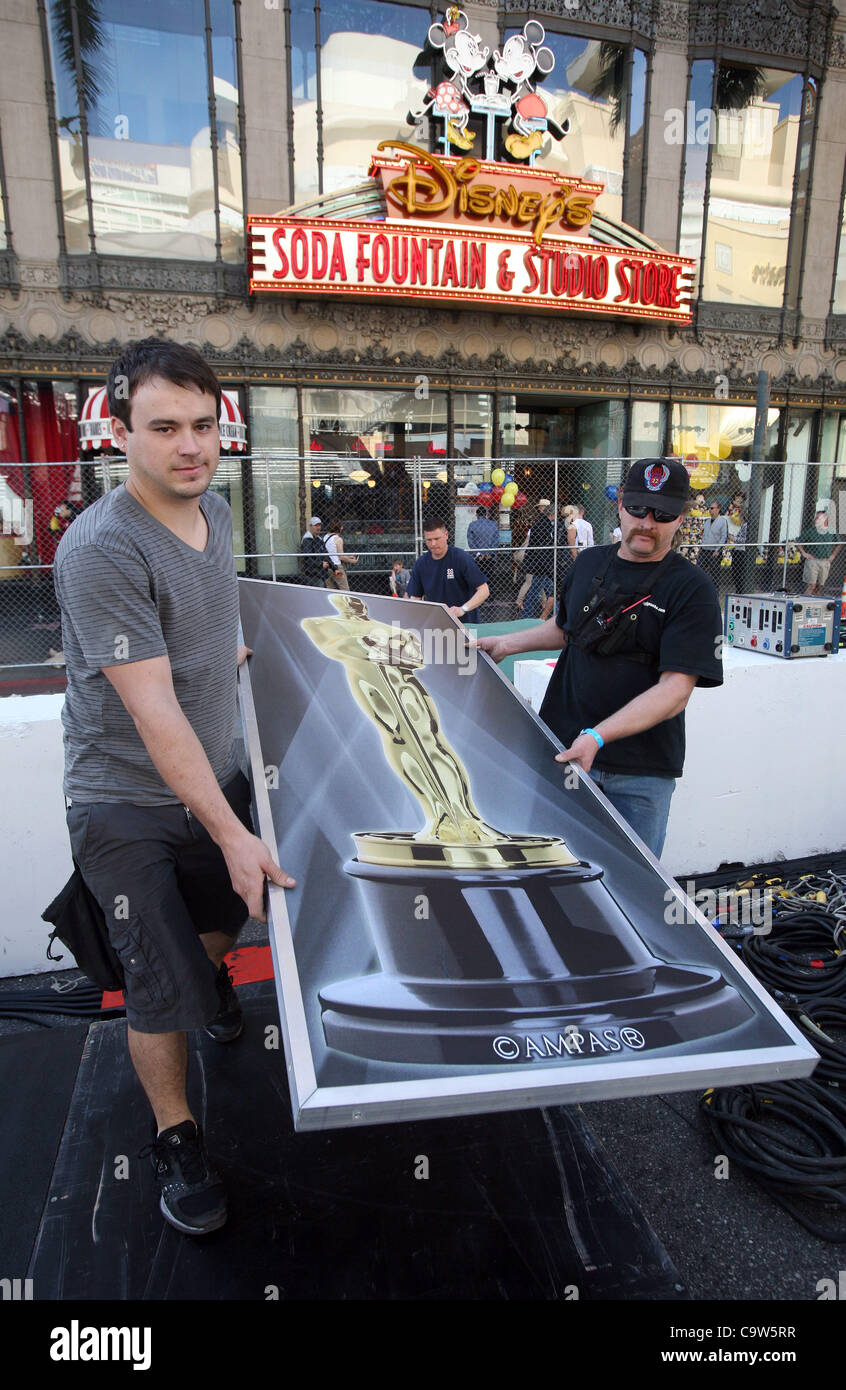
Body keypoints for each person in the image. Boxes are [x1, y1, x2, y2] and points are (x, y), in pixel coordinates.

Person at [53, 338, 296, 1237]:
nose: (189, 445)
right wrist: (233, 832)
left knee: (217, 926)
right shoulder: (102, 550)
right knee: (157, 983)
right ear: (119, 432)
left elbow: (203, 620)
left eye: (203, 425)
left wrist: (223, 657)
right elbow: (153, 712)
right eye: (163, 428)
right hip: (125, 799)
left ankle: (213, 976)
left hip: (212, 768)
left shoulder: (218, 511)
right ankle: (175, 1133)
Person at [477, 457, 723, 858]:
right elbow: (566, 629)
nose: (647, 522)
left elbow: (676, 689)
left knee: (628, 896)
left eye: (662, 513)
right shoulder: (590, 561)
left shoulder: (692, 589)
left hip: (639, 775)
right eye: (639, 508)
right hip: (562, 755)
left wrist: (596, 736)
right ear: (621, 504)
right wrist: (505, 644)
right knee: (552, 877)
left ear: (681, 518)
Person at [406, 514, 489, 623]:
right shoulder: (421, 563)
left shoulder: (461, 558)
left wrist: (462, 609)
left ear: (446, 535)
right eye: (429, 540)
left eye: (437, 538)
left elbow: (484, 590)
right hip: (436, 624)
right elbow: (414, 597)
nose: (433, 543)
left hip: (467, 624)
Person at [796, 508, 843, 595]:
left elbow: (839, 544)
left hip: (825, 561)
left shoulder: (831, 531)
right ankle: (805, 601)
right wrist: (804, 553)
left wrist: (833, 555)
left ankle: (815, 602)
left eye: (819, 518)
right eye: (816, 518)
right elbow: (799, 542)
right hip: (813, 561)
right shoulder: (812, 531)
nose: (817, 520)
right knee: (811, 586)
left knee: (820, 586)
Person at [521, 499, 555, 618]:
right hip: (541, 563)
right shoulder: (544, 525)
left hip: (540, 562)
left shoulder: (541, 523)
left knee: (549, 588)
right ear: (552, 514)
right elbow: (543, 546)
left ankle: (554, 611)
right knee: (539, 589)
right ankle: (527, 615)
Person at [699, 500, 728, 586]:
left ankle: (715, 592)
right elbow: (704, 535)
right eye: (709, 508)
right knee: (700, 571)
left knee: (715, 574)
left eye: (712, 508)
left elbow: (724, 537)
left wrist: (717, 550)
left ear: (718, 509)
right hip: (704, 550)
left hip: (714, 551)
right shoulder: (707, 521)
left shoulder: (722, 521)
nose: (710, 510)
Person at [323, 519, 358, 590]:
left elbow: (333, 552)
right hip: (337, 567)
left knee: (330, 589)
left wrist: (348, 557)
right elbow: (341, 557)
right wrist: (352, 561)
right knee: (345, 589)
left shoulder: (325, 537)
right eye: (341, 526)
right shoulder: (338, 539)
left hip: (327, 567)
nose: (342, 528)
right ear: (339, 528)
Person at [301, 514, 330, 586]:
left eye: (319, 525)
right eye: (316, 525)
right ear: (310, 526)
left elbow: (325, 554)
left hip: (320, 573)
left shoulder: (319, 539)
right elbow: (308, 558)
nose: (318, 527)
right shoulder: (307, 540)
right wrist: (320, 564)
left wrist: (334, 568)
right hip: (312, 574)